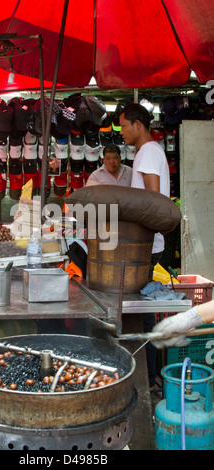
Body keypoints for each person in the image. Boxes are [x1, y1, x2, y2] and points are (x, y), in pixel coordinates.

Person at [119, 103, 170, 393]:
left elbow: (151, 200)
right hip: (148, 241)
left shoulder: (148, 151)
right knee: (142, 310)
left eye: (124, 125)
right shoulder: (148, 152)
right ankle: (149, 376)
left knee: (143, 313)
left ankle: (149, 378)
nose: (121, 131)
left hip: (147, 244)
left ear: (138, 124)